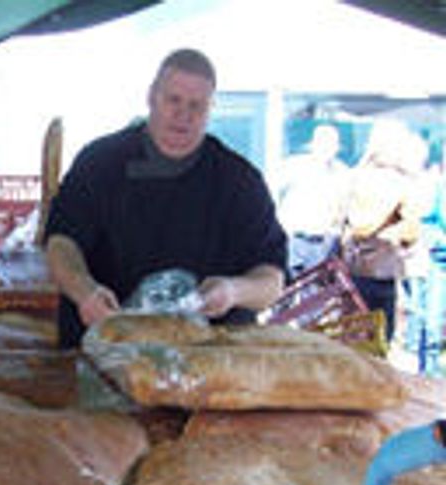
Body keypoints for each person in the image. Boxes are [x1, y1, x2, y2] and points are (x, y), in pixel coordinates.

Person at [43, 48, 287, 349]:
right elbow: (60, 244)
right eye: (173, 100)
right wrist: (85, 292)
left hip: (209, 361)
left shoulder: (240, 181)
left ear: (211, 108)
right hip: (103, 350)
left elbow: (272, 280)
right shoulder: (99, 163)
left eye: (197, 105)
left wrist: (233, 291)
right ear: (151, 97)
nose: (183, 115)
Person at [341, 120, 426, 346]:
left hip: (349, 270)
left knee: (352, 339)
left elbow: (339, 220)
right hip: (382, 272)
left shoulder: (353, 177)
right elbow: (411, 233)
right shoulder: (401, 183)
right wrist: (394, 233)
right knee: (379, 341)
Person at [276, 123, 350, 275]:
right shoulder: (294, 166)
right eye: (322, 143)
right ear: (313, 145)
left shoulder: (343, 173)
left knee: (318, 286)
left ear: (337, 147)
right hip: (294, 241)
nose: (326, 148)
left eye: (331, 144)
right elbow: (271, 192)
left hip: (324, 245)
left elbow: (344, 207)